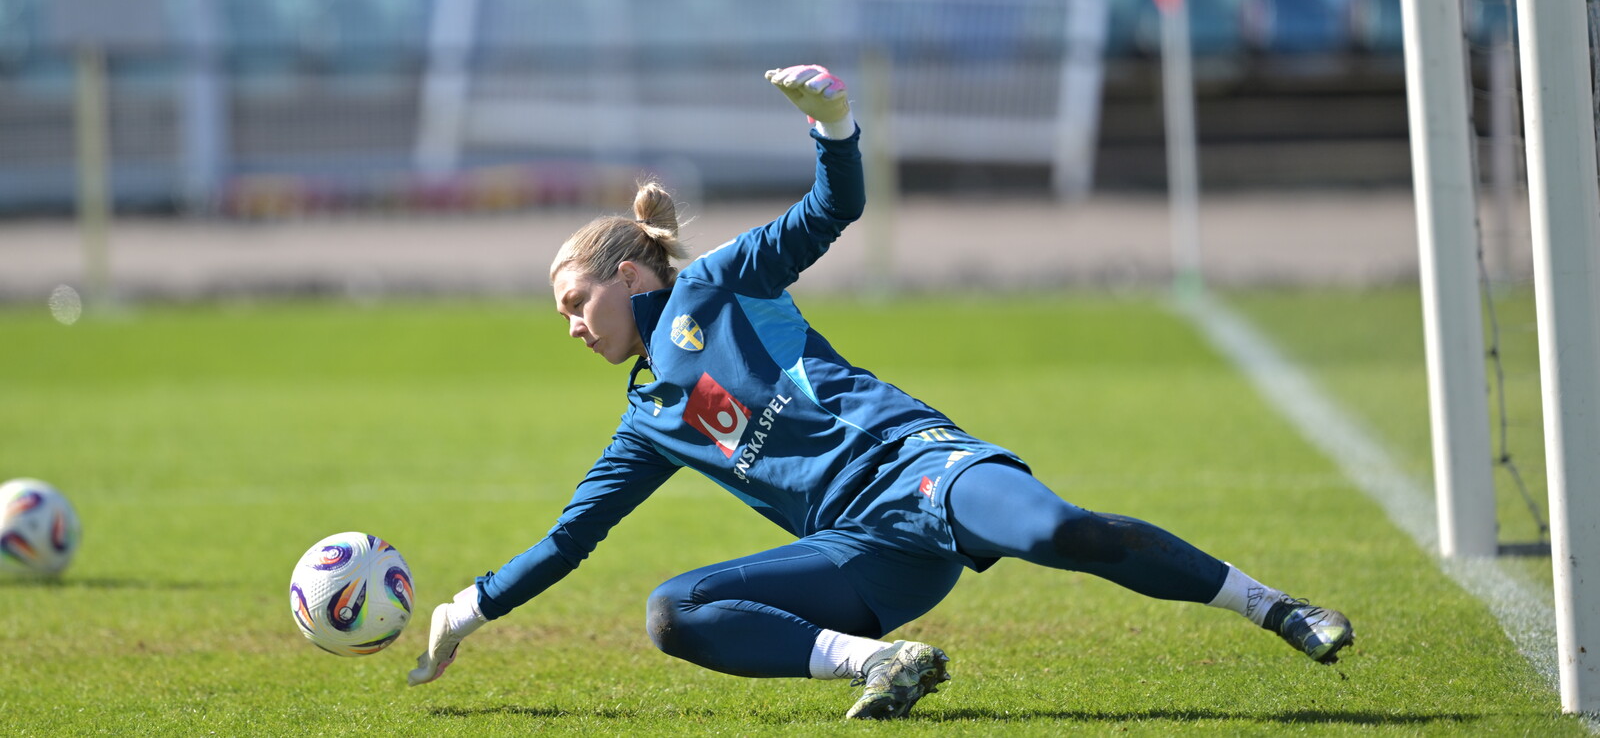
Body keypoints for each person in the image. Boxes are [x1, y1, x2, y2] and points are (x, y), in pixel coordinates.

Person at [406, 64, 1354, 720]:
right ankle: (880, 663)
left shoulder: (715, 285)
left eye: (576, 301)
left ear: (631, 276)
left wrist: (833, 126)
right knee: (674, 611)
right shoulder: (648, 421)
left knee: (1061, 532)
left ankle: (1273, 606)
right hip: (860, 556)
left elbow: (834, 209)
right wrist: (463, 609)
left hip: (915, 467)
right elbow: (572, 538)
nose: (573, 325)